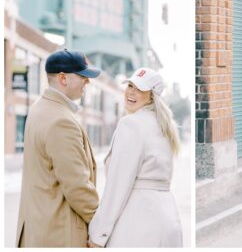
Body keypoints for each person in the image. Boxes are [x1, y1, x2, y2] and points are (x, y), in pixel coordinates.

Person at [87, 68, 183, 247]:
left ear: (152, 96)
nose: (130, 92)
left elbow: (118, 185)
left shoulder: (131, 124)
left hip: (137, 222)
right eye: (130, 85)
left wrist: (98, 234)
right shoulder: (164, 126)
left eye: (139, 89)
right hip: (168, 220)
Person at [16, 49, 101, 247]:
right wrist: (101, 228)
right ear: (63, 78)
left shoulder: (39, 108)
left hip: (40, 229)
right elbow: (77, 186)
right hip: (59, 235)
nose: (87, 82)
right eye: (82, 76)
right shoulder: (62, 121)